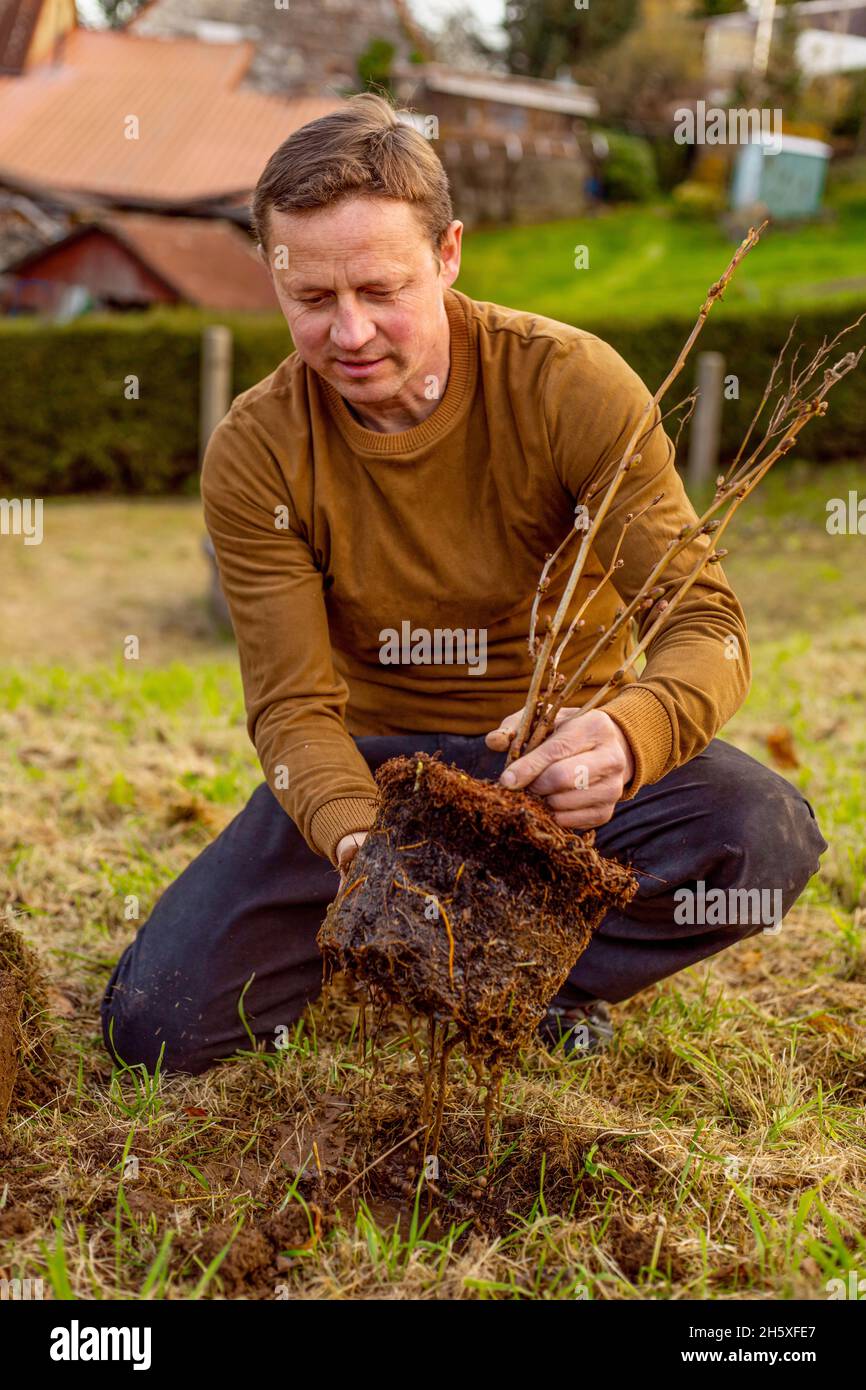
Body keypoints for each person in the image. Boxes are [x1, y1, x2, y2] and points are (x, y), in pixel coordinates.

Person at [101, 94, 826, 1072]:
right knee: (156, 1028)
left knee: (758, 832)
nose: (349, 333)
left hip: (552, 779)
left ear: (447, 254)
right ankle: (407, 955)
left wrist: (622, 733)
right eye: (311, 299)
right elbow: (289, 710)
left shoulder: (569, 386)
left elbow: (706, 624)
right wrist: (365, 852)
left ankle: (530, 973)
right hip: (375, 778)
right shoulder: (255, 452)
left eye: (378, 288)